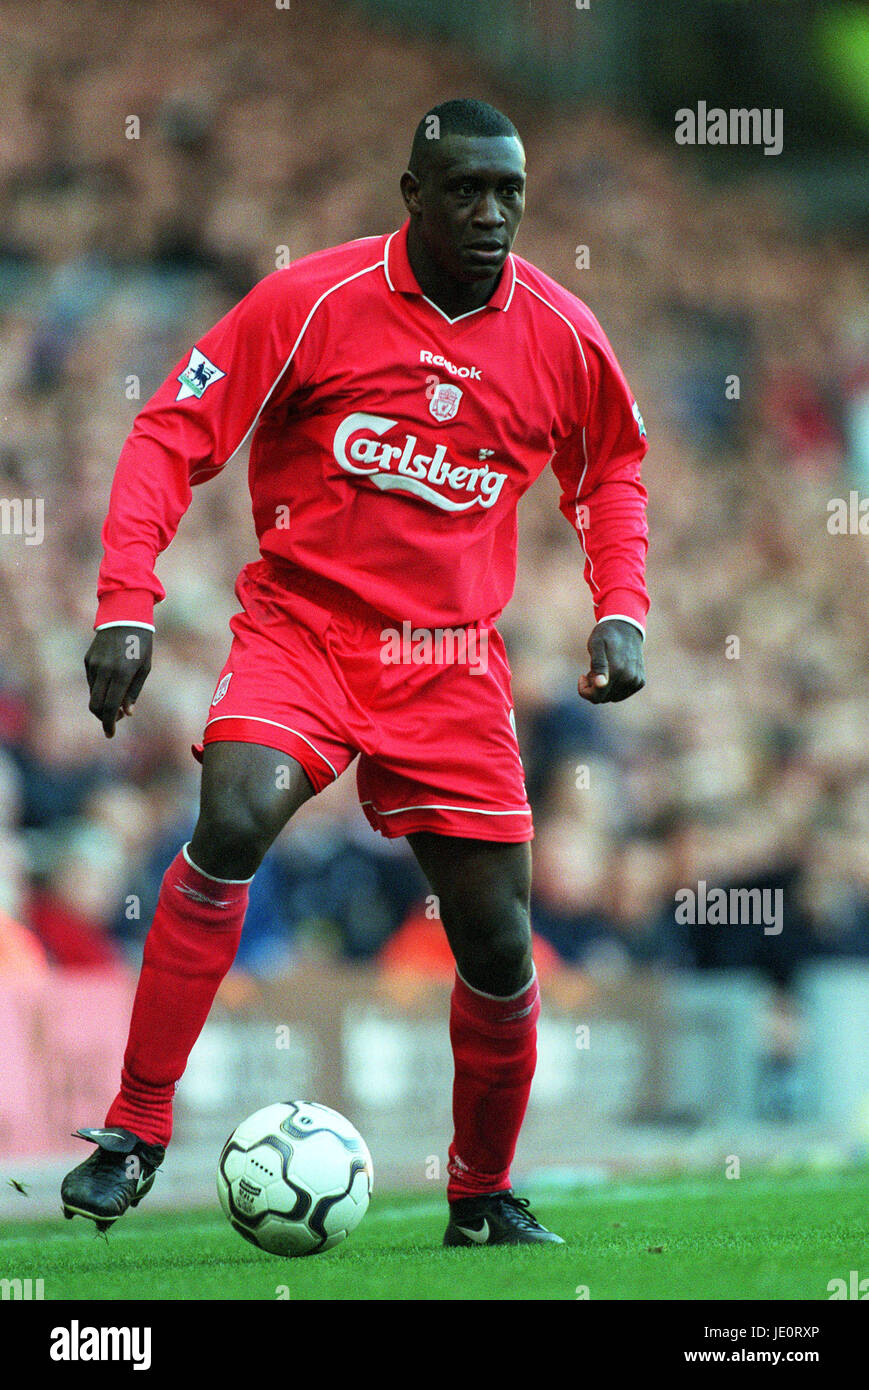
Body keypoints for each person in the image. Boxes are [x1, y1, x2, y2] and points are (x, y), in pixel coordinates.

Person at [62, 98, 649, 1247]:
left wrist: (619, 608)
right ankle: (134, 1127)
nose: (489, 214)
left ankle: (479, 1197)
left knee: (494, 940)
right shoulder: (311, 301)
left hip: (448, 661)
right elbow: (169, 432)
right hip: (305, 633)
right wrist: (127, 602)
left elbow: (611, 471)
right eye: (466, 190)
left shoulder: (564, 336)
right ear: (412, 194)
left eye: (507, 193)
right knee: (231, 819)